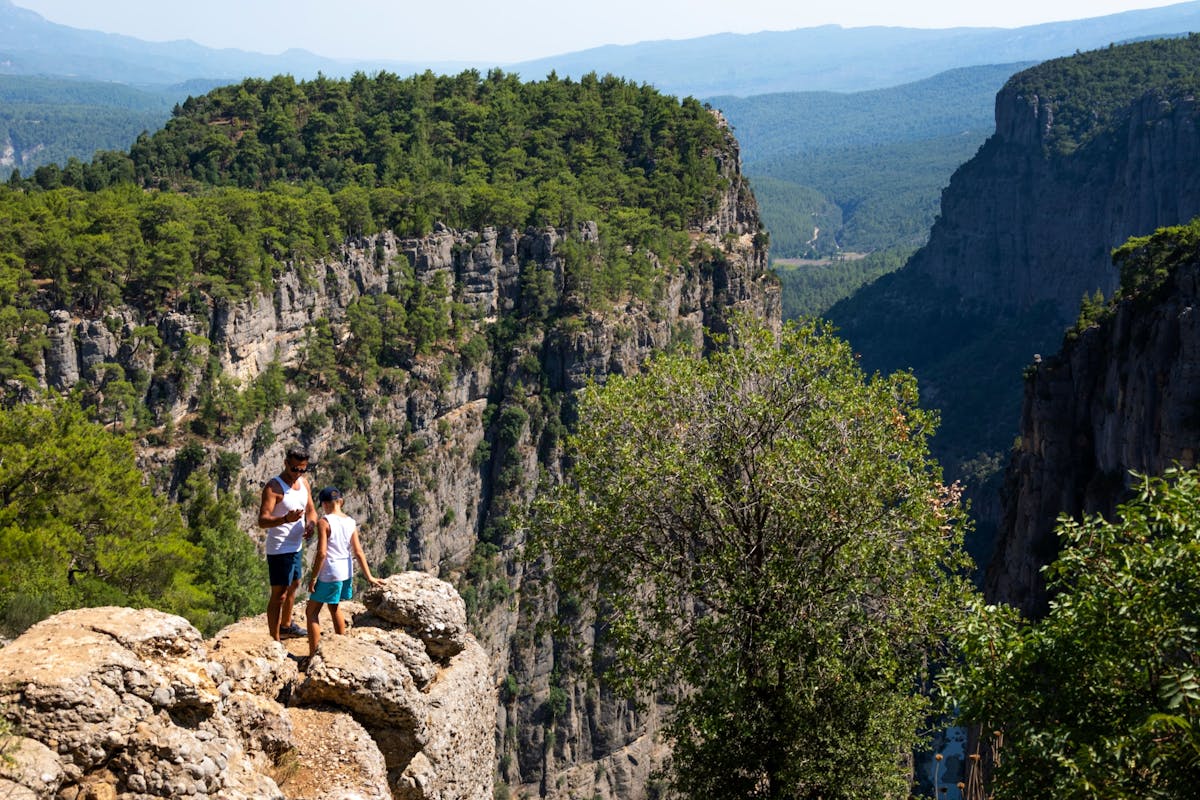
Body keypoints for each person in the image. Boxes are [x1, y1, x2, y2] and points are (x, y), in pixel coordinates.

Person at [305, 486, 383, 657]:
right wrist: (369, 576)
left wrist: (313, 577)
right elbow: (358, 551)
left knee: (311, 612)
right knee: (334, 607)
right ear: (340, 501)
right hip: (346, 571)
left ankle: (313, 655)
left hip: (330, 571)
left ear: (324, 504)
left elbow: (322, 553)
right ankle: (343, 647)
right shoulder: (350, 521)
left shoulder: (324, 522)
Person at [258, 447, 317, 640]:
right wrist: (285, 519)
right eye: (295, 469)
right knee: (279, 595)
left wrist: (311, 524)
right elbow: (262, 521)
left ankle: (286, 625)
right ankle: (274, 640)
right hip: (280, 549)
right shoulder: (274, 487)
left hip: (296, 547)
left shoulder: (304, 484)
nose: (298, 473)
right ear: (285, 464)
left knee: (295, 584)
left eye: (302, 469)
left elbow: (311, 510)